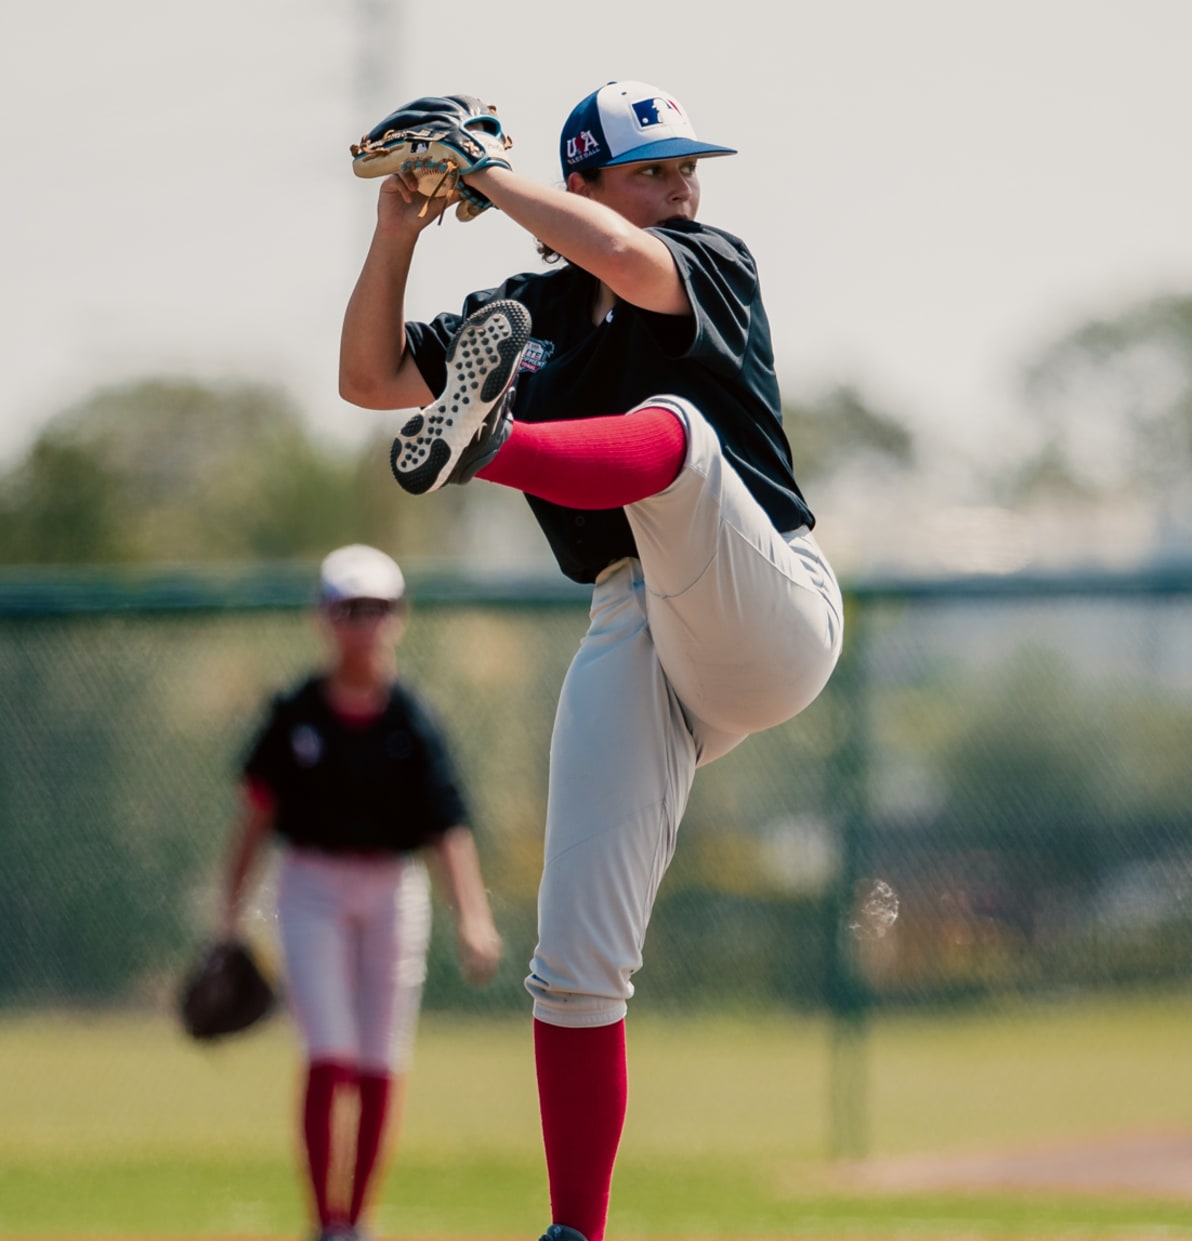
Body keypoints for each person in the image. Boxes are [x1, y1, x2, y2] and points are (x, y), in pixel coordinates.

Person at [338, 81, 844, 1241]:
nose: (683, 187)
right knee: (572, 963)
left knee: (683, 441)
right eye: (654, 169)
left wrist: (477, 173)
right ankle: (576, 1232)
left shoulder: (705, 258)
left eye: (685, 168)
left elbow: (622, 252)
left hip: (764, 605)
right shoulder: (527, 310)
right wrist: (397, 231)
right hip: (634, 619)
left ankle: (492, 444)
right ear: (584, 177)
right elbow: (367, 378)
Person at [218, 543, 504, 1241]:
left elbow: (447, 824)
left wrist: (473, 915)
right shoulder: (296, 713)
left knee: (380, 1055)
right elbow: (255, 813)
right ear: (323, 616)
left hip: (391, 886)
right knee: (330, 1050)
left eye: (378, 608)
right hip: (311, 883)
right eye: (350, 608)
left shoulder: (413, 718)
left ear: (399, 617)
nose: (365, 622)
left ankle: (357, 1222)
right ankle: (325, 1222)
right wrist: (227, 916)